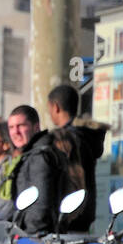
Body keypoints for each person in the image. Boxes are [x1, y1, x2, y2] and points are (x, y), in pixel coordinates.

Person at [47, 84, 108, 232]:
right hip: (86, 213)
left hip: (66, 217)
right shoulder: (87, 136)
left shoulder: (62, 139)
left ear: (55, 107)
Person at [7, 104, 63, 234]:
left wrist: (30, 237)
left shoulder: (40, 156)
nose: (15, 132)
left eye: (21, 126)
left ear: (36, 127)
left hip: (35, 237)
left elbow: (41, 204)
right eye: (11, 127)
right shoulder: (30, 153)